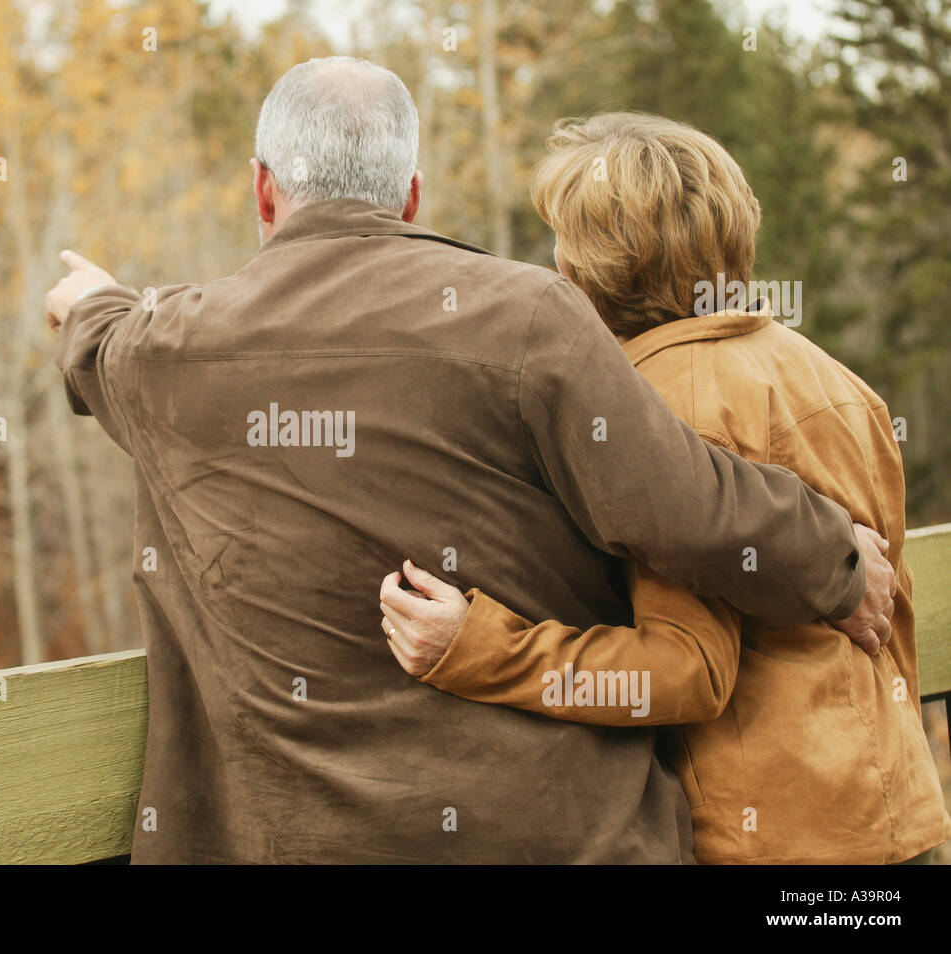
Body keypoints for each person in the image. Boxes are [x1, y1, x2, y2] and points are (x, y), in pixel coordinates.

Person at [47, 59, 892, 863]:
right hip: (562, 841)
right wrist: (838, 565)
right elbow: (690, 511)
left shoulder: (162, 352)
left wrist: (91, 303)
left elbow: (100, 343)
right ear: (410, 194)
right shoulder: (529, 317)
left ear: (263, 189)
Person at [380, 112, 949, 864]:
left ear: (591, 267)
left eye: (561, 243)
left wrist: (483, 648)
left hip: (775, 847)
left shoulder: (652, 417)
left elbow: (687, 671)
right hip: (904, 820)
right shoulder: (830, 377)